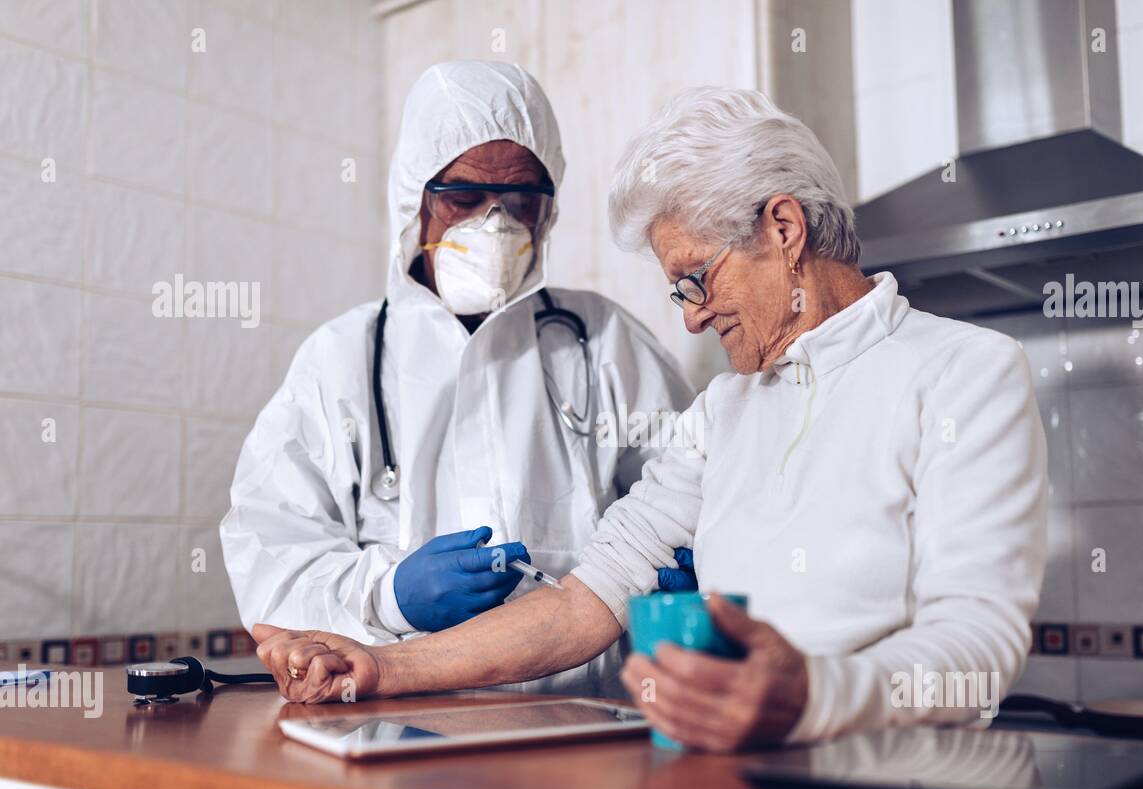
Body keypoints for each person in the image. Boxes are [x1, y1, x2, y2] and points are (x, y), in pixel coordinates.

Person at [253, 87, 1048, 751]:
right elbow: (582, 601)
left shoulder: (964, 373)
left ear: (783, 228)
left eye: (695, 280)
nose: (693, 321)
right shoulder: (723, 411)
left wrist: (811, 695)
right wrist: (381, 666)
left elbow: (979, 646)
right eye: (680, 292)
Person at [221, 61, 695, 697]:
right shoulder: (338, 362)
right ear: (413, 199)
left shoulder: (606, 344)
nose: (495, 224)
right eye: (464, 198)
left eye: (522, 199)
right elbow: (269, 559)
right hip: (391, 722)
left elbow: (694, 496)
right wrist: (390, 598)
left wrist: (698, 571)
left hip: (583, 726)